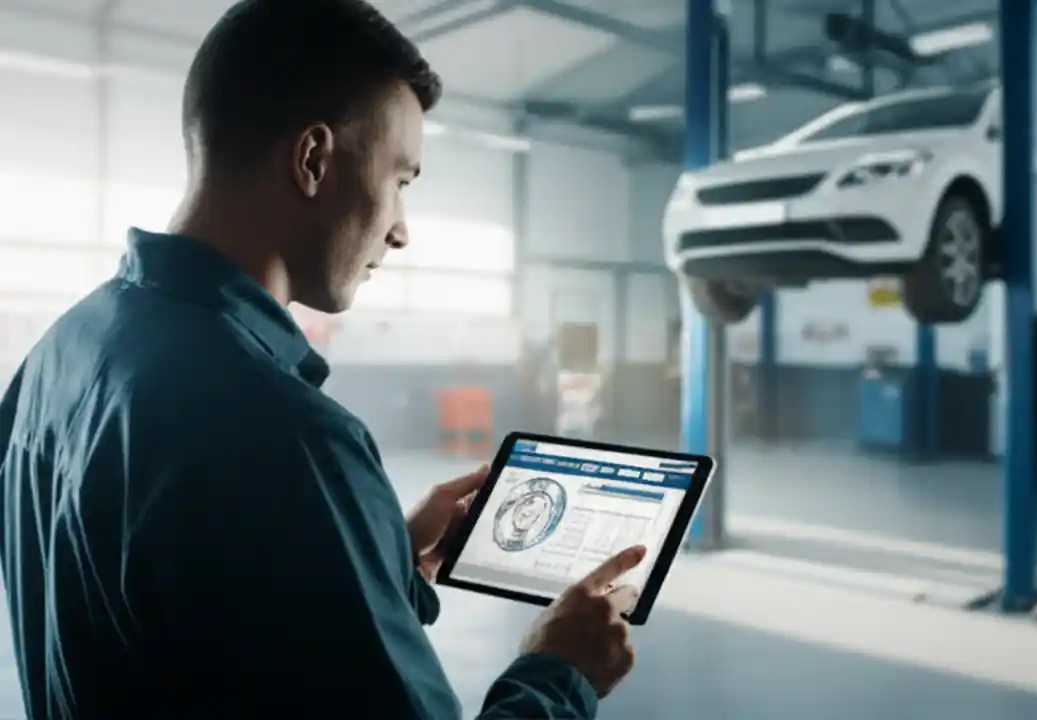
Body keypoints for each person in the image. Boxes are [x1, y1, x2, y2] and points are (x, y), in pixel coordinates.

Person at [0, 1, 641, 717]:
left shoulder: (57, 354)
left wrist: (380, 560)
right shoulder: (287, 438)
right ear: (312, 160)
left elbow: (180, 621)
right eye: (401, 179)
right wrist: (560, 671)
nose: (401, 232)